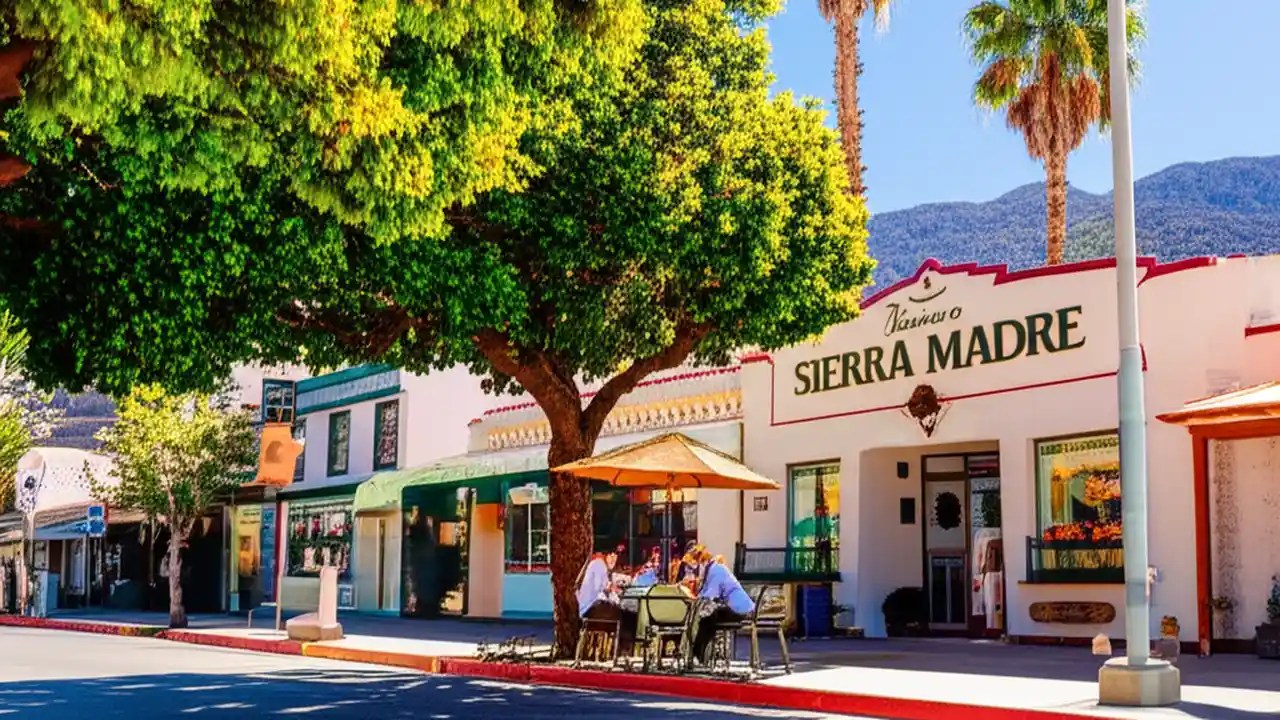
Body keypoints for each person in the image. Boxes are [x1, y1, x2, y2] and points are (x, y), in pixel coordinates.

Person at [691, 548, 755, 663]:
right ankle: (700, 654)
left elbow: (711, 594)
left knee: (708, 619)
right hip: (737, 608)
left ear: (703, 562)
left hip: (739, 610)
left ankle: (698, 654)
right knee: (709, 618)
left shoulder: (716, 571)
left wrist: (695, 599)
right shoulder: (715, 569)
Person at [575, 545, 636, 656]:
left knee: (625, 615)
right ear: (606, 555)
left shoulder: (596, 564)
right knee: (629, 617)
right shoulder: (599, 565)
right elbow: (601, 590)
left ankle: (618, 651)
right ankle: (623, 652)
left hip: (589, 609)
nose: (614, 559)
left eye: (615, 557)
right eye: (611, 556)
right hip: (592, 610)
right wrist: (614, 592)